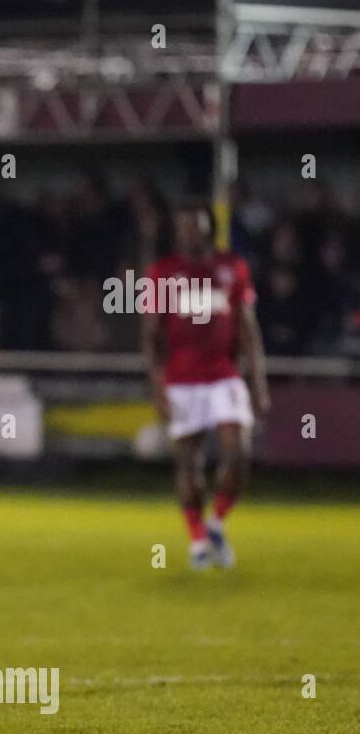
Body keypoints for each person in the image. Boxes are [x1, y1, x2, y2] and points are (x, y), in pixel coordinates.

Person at [142, 203, 270, 569]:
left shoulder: (232, 268)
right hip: (181, 380)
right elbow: (151, 337)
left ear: (209, 229)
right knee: (187, 461)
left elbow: (248, 330)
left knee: (239, 453)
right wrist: (157, 388)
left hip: (223, 376)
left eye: (196, 227)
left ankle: (216, 522)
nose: (189, 234)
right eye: (183, 227)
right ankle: (198, 539)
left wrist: (258, 383)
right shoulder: (162, 273)